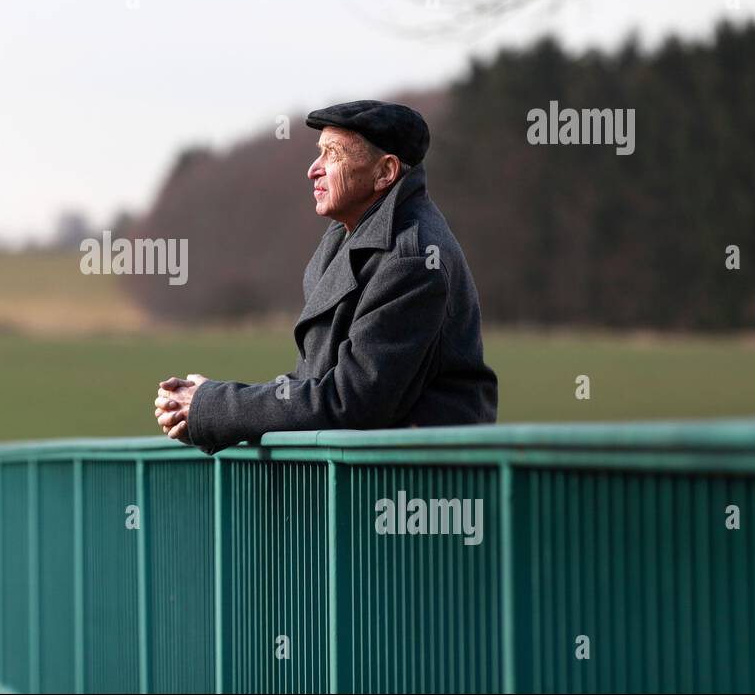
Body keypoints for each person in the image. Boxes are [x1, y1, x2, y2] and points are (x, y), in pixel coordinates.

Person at [153, 100, 498, 455]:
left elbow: (350, 401)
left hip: (417, 491)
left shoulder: (411, 259)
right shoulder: (346, 239)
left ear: (385, 172)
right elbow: (314, 384)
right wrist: (209, 407)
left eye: (332, 155)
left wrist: (214, 405)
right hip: (375, 482)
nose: (313, 170)